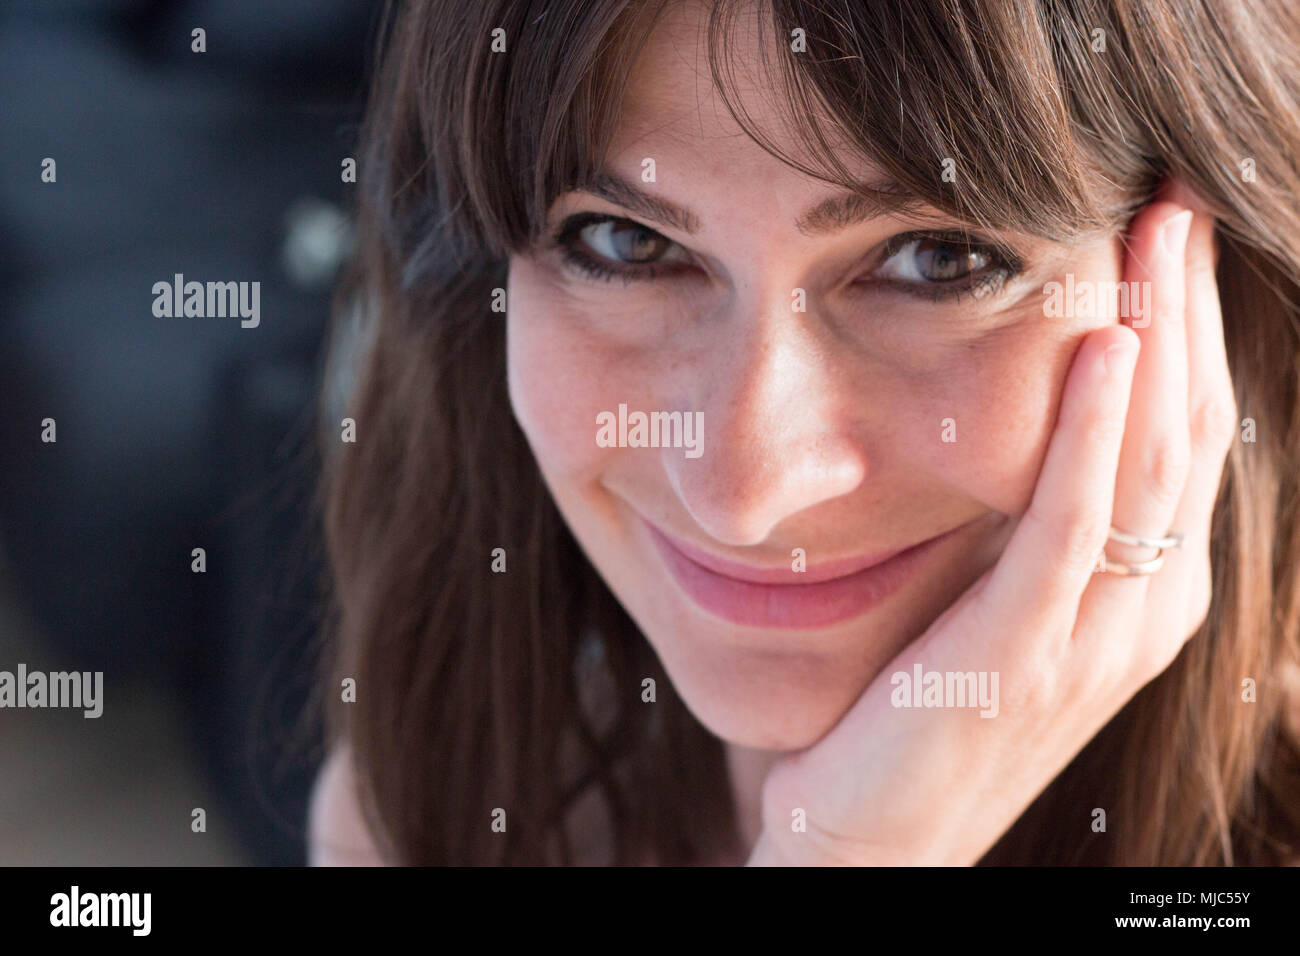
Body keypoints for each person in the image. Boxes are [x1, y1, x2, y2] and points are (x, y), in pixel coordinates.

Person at [309, 0, 1300, 866]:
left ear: (1202, 278)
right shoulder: (435, 803)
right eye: (627, 242)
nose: (743, 489)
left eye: (937, 259)